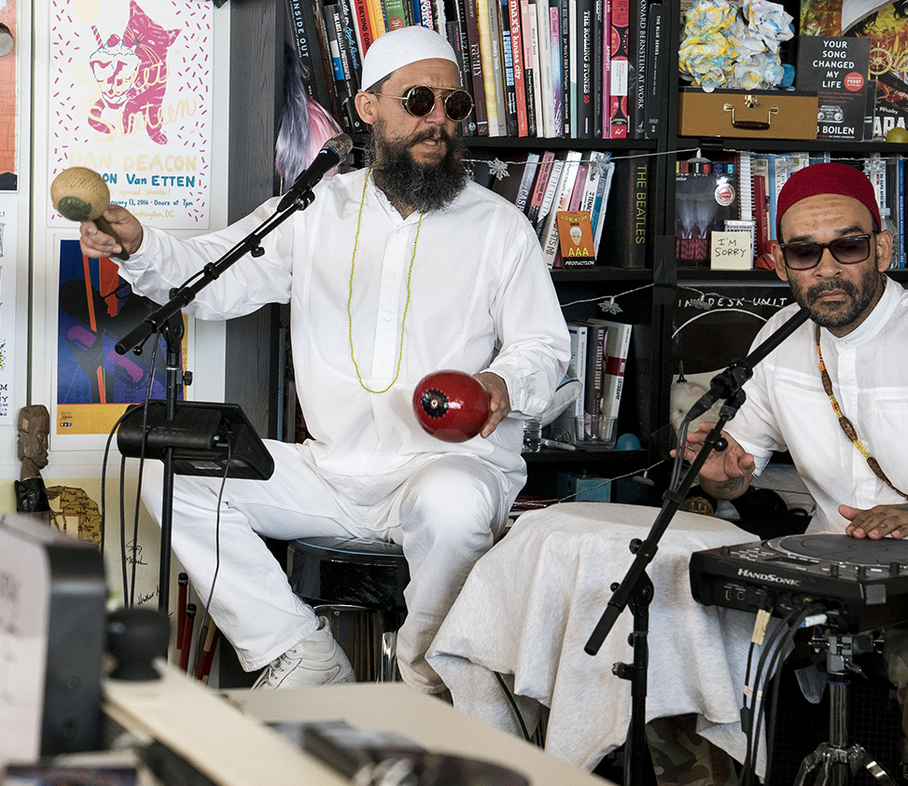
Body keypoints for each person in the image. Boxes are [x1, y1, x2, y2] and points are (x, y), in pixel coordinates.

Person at [79, 25, 569, 693]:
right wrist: (138, 247)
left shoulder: (498, 226)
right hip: (333, 473)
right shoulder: (313, 210)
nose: (438, 123)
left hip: (446, 467)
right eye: (419, 101)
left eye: (454, 107)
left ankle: (431, 681)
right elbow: (212, 276)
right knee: (170, 472)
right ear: (369, 108)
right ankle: (299, 649)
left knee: (453, 502)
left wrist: (501, 382)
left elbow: (543, 345)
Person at [666, 162, 908, 786]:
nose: (826, 268)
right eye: (804, 251)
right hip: (831, 575)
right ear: (778, 261)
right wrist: (719, 474)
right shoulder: (778, 341)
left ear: (882, 247)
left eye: (847, 246)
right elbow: (739, 475)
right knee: (676, 619)